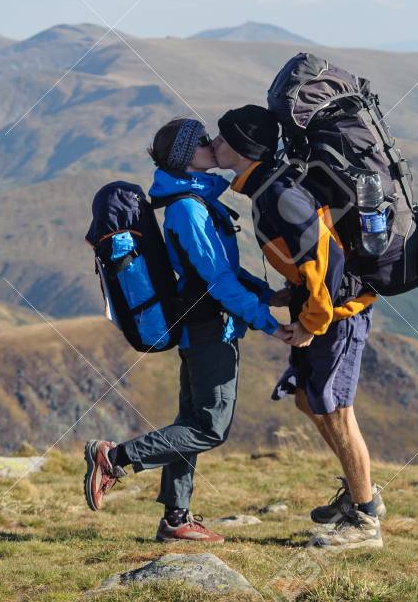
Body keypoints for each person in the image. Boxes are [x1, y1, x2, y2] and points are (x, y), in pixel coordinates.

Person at [84, 117, 288, 543]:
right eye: (200, 140)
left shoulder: (194, 201)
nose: (211, 142)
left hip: (204, 324)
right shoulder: (189, 209)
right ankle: (115, 458)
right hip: (210, 327)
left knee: (189, 421)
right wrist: (269, 324)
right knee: (210, 427)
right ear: (185, 158)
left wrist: (268, 296)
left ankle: (176, 518)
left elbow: (221, 271)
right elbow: (217, 281)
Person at [212, 104, 385, 552]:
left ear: (242, 148)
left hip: (339, 314)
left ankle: (365, 521)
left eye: (219, 139)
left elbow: (329, 261)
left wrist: (310, 323)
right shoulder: (266, 188)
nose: (212, 146)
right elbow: (307, 262)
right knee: (308, 400)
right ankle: (357, 489)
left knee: (334, 409)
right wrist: (294, 294)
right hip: (318, 307)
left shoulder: (278, 194)